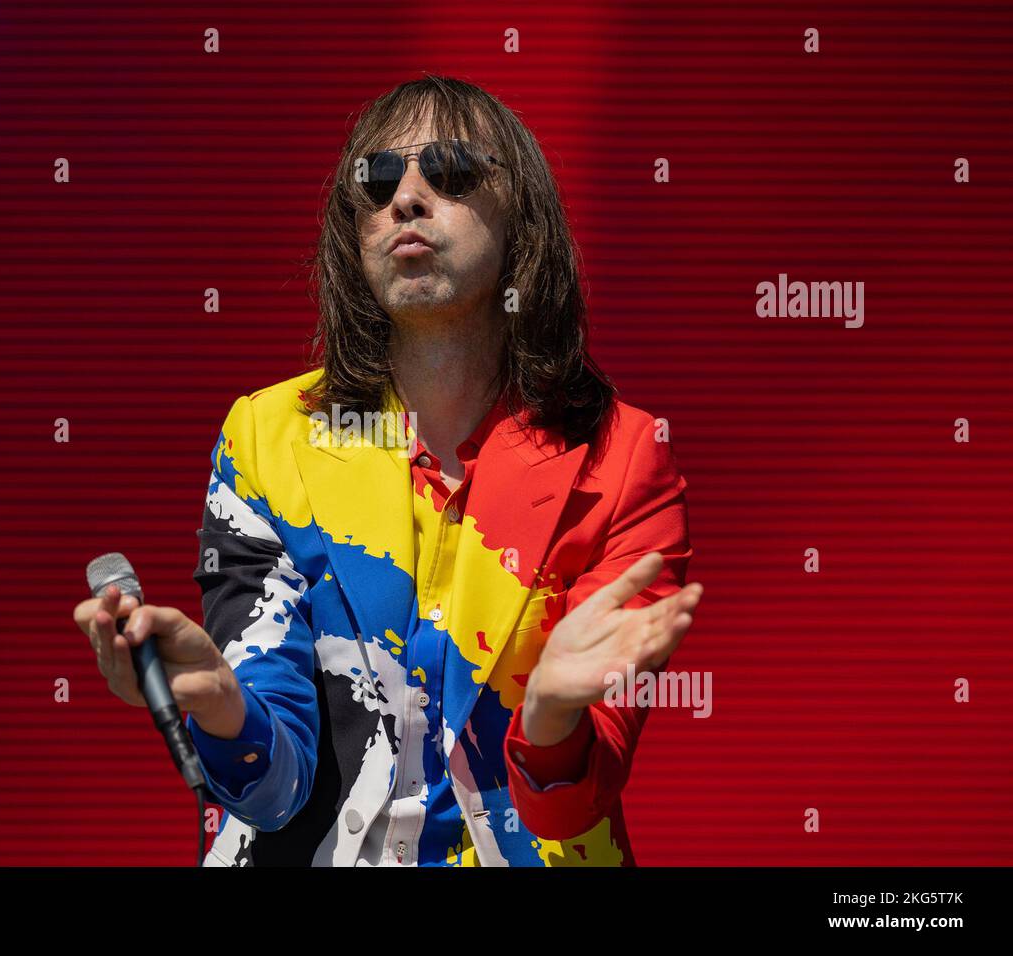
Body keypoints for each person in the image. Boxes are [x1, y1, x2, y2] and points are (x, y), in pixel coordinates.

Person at [72, 74, 704, 866]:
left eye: (450, 171)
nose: (405, 196)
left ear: (524, 218)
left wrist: (549, 720)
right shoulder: (268, 437)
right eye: (376, 180)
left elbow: (573, 805)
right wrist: (228, 710)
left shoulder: (623, 455)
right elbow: (271, 793)